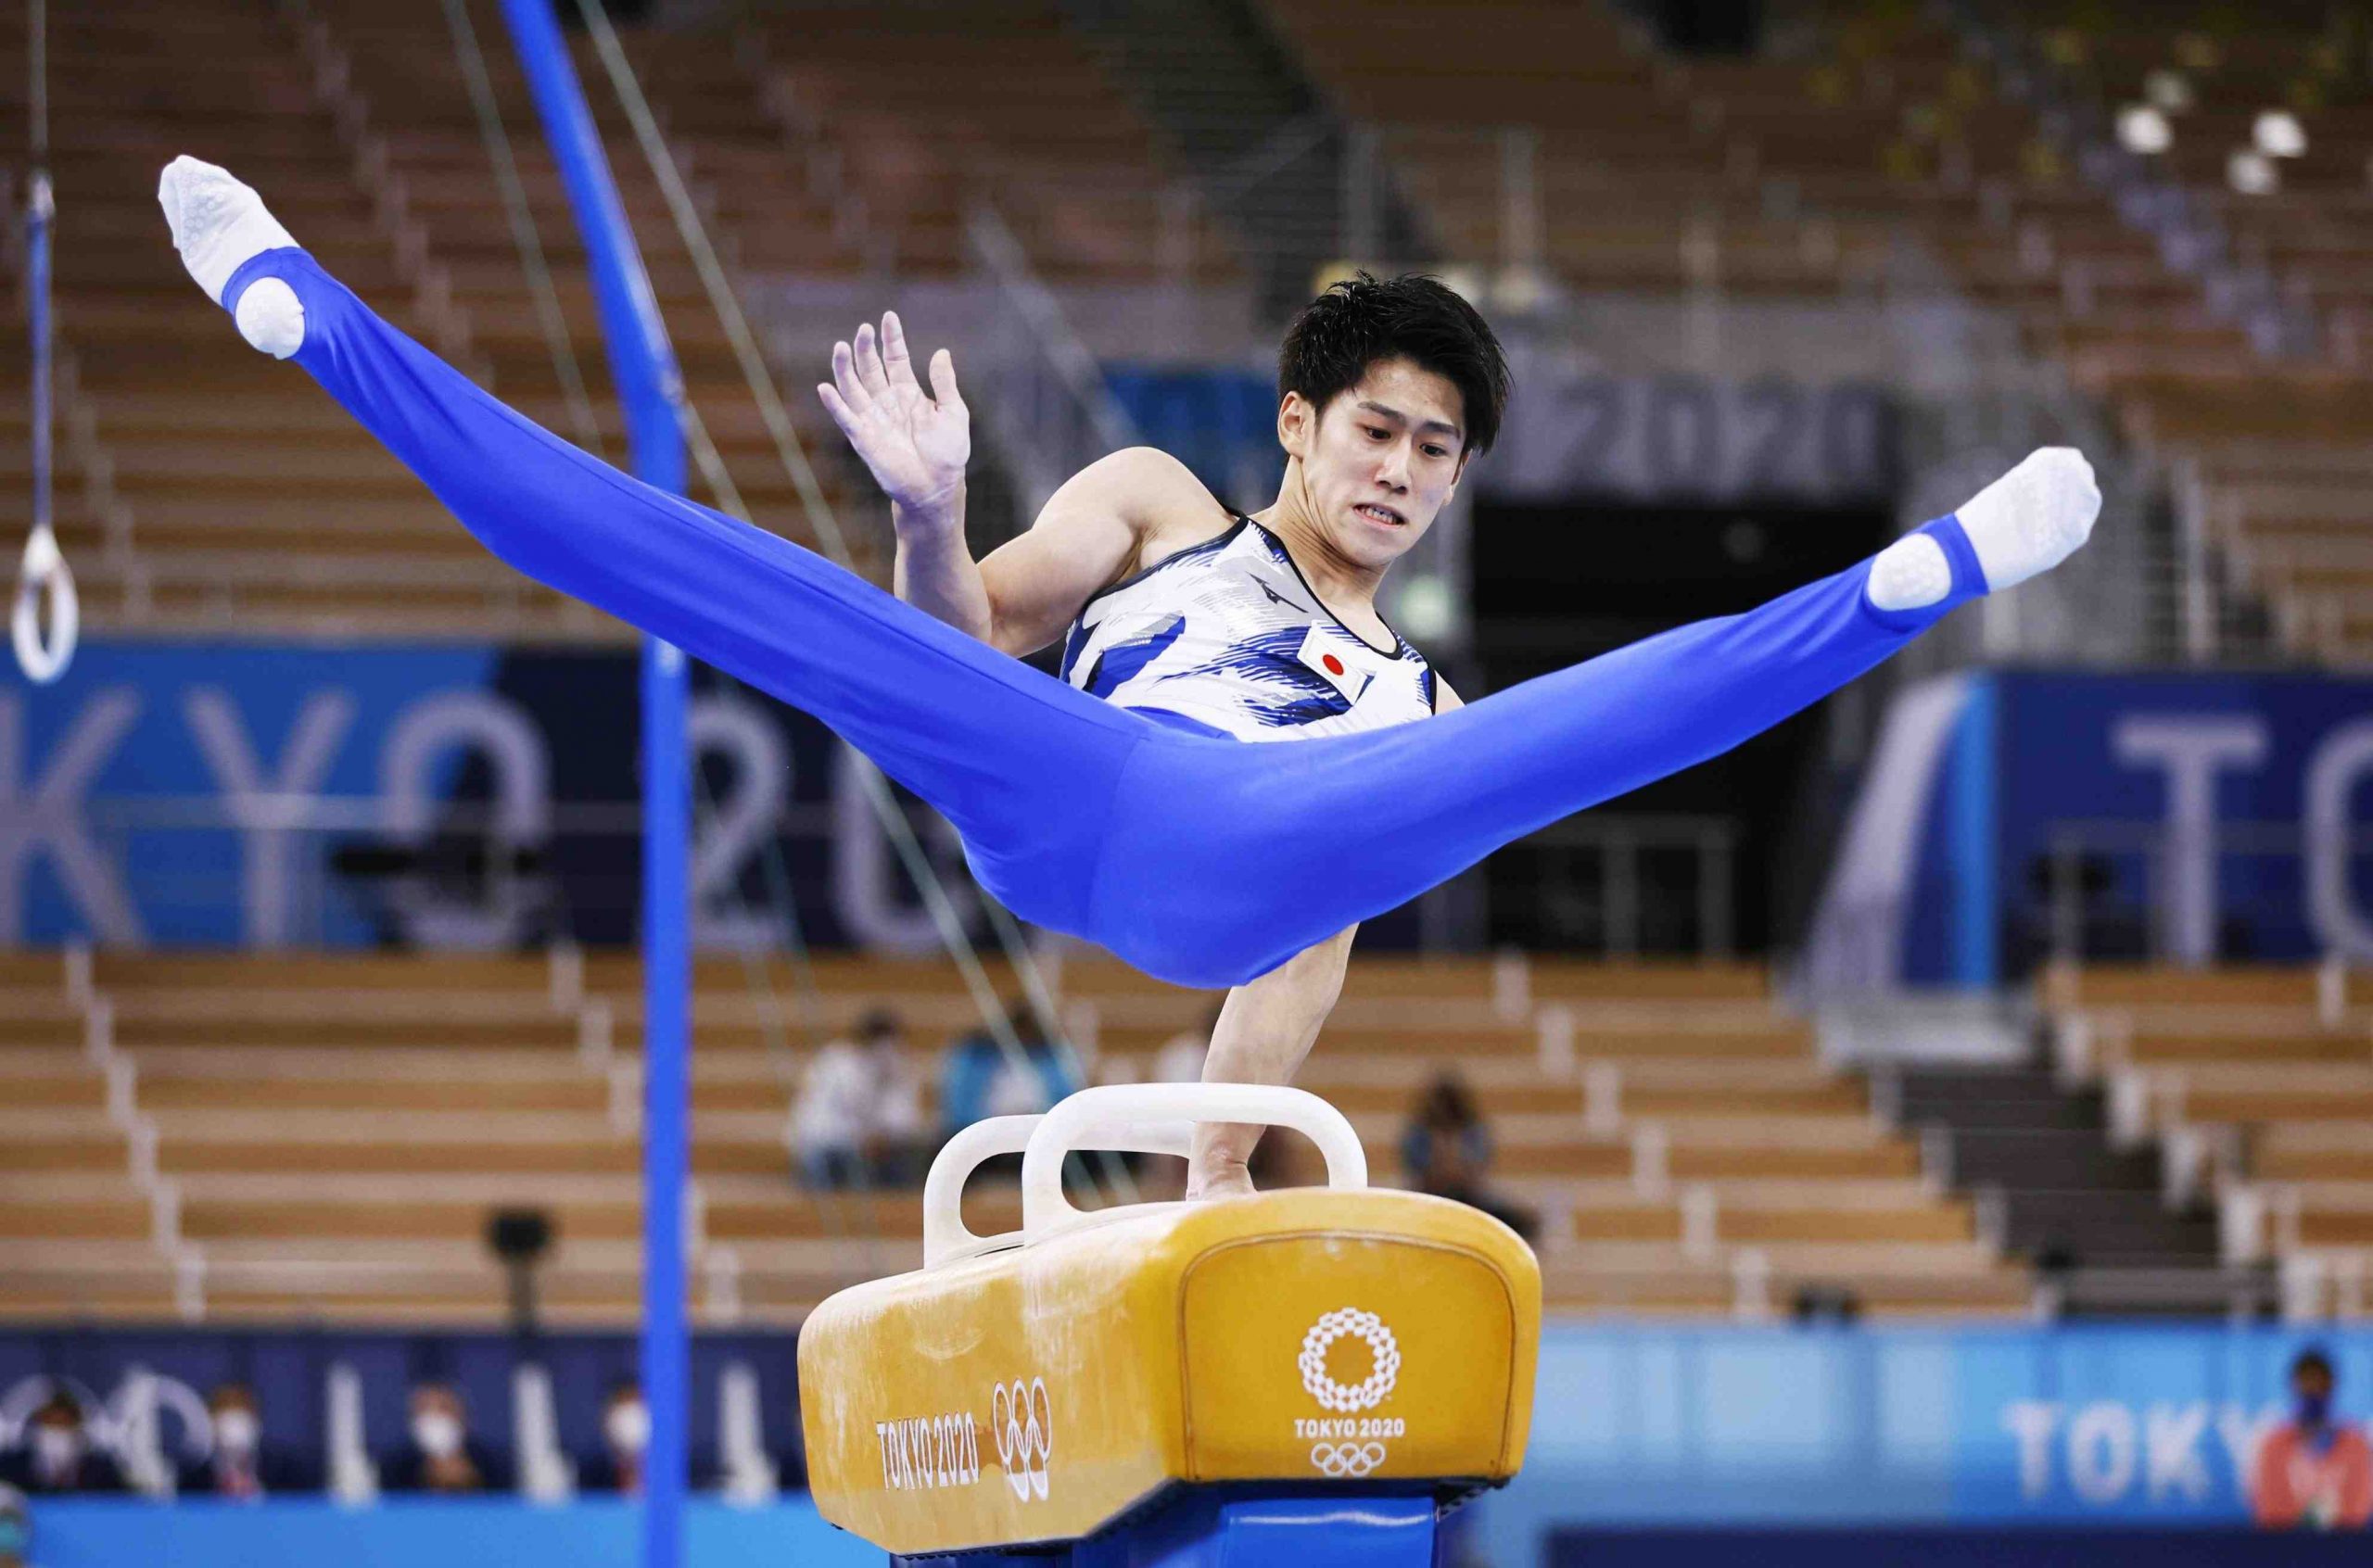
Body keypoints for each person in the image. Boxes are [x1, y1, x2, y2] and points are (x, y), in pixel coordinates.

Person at [159, 158, 2100, 1198]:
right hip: (1062, 781)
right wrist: (929, 514)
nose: (1399, 473)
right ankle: (309, 319)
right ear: (1298, 420)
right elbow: (955, 666)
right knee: (733, 582)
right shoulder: (1157, 500)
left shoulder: (1402, 709)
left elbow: (1306, 954)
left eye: (1436, 452)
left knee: (1544, 734)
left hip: (1243, 866)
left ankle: (1914, 574)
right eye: (1376, 429)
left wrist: (1209, 1174)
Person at [789, 1008, 926, 1189]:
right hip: (827, 1144)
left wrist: (883, 1137)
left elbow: (907, 1119)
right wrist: (861, 1139)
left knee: (902, 1164)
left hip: (873, 1149)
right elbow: (817, 1119)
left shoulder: (899, 1068)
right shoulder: (834, 1062)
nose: (886, 1050)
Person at [1400, 1072, 1536, 1240]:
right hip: (1429, 1195)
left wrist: (1453, 1162)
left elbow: (1475, 1173)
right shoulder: (1419, 1133)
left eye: (1449, 1107)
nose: (1445, 1112)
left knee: (1515, 1221)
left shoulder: (1474, 1132)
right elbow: (1419, 1172)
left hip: (1469, 1198)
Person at [2252, 1347, 2372, 1530]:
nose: (2313, 1392)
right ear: (2294, 1387)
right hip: (2287, 1548)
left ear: (2331, 1386)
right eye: (2307, 1385)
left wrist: (2330, 1523)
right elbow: (2270, 1511)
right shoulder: (2275, 1445)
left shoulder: (2356, 1444)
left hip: (2344, 1546)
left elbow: (2359, 1509)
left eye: (2320, 1385)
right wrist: (2305, 1525)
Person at [180, 1382, 310, 1499]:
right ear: (211, 1423)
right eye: (226, 1417)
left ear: (256, 1421)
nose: (234, 1427)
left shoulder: (285, 1472)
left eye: (240, 1417)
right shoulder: (193, 1478)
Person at [386, 1383, 502, 1496]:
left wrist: (470, 1482)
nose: (434, 1417)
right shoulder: (395, 1465)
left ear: (462, 1415)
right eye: (425, 1409)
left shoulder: (489, 1461)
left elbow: (503, 1502)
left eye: (443, 1408)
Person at [0, 1393, 125, 1496]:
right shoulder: (11, 1468)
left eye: (64, 1424)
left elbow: (123, 1504)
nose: (57, 1432)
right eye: (50, 1423)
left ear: (77, 1428)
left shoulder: (101, 1470)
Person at [580, 1382, 650, 1497]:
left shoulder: (678, 1472)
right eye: (624, 1415)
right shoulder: (592, 1477)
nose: (630, 1425)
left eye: (634, 1415)